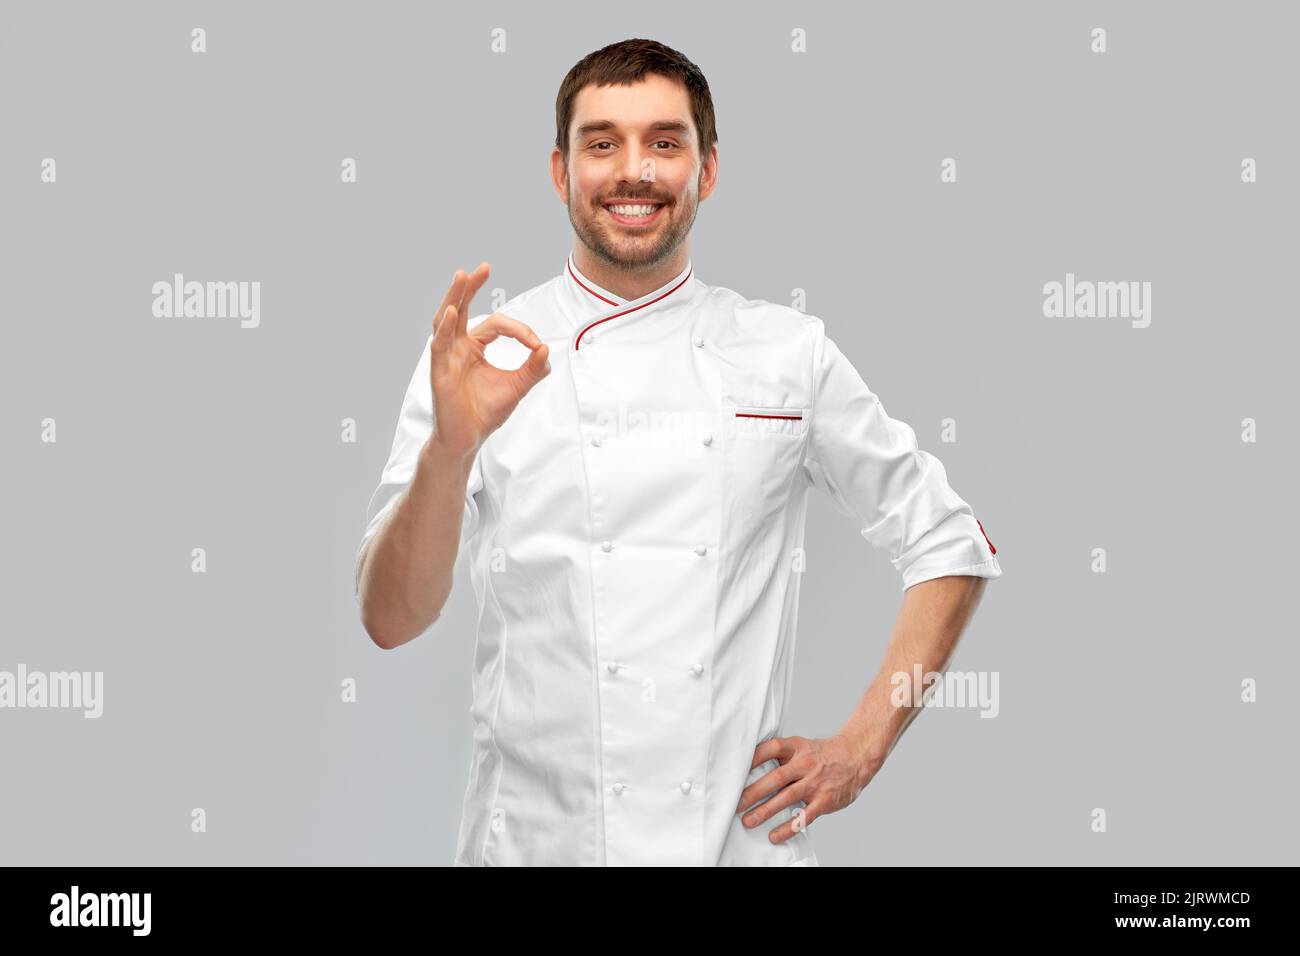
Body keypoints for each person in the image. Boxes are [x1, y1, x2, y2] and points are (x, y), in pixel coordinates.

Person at [354, 38, 1003, 866]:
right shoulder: (482, 357)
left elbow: (952, 541)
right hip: (533, 847)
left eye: (665, 143)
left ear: (708, 169)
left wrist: (862, 747)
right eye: (602, 144)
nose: (635, 172)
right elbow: (390, 618)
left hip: (726, 848)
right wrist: (450, 448)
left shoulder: (785, 352)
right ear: (561, 172)